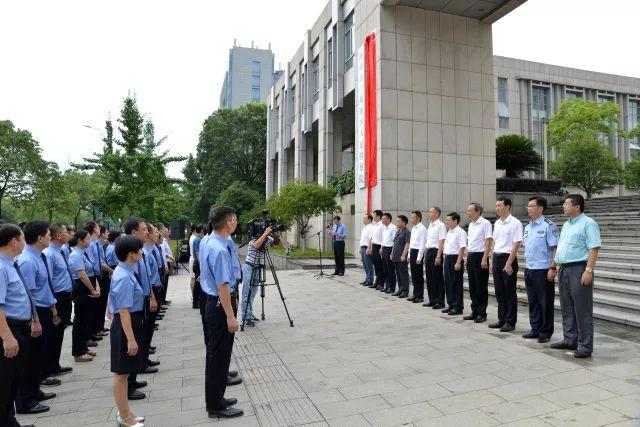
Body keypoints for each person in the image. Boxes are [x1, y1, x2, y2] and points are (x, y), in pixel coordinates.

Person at [200, 206, 243, 418]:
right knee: (218, 356)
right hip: (220, 305)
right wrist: (230, 316)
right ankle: (215, 406)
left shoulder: (210, 240)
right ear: (229, 222)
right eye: (234, 219)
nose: (236, 222)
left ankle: (218, 398)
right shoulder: (218, 248)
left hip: (213, 303)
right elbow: (223, 286)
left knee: (217, 355)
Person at [15, 221, 57, 415]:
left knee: (39, 354)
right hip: (36, 312)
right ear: (40, 237)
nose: (51, 237)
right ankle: (25, 400)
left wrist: (52, 306)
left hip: (44, 309)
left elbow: (43, 286)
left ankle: (35, 390)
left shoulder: (38, 257)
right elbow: (29, 293)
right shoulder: (27, 261)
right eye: (49, 234)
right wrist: (35, 320)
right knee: (30, 357)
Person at [551, 194, 601, 358]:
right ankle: (569, 339)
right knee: (567, 307)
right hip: (564, 269)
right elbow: (561, 246)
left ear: (577, 206)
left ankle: (585, 346)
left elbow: (594, 248)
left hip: (579, 269)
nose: (563, 206)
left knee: (582, 309)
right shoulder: (566, 224)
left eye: (566, 204)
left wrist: (588, 270)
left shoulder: (588, 223)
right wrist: (556, 265)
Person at [0, 224, 39, 427]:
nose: (25, 242)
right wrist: (7, 337)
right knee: (4, 384)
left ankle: (10, 423)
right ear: (13, 241)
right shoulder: (1, 267)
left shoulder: (10, 264)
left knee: (13, 381)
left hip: (19, 328)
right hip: (9, 329)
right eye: (22, 238)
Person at [109, 235, 146, 427]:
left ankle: (126, 412)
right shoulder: (123, 276)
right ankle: (124, 417)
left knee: (124, 373)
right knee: (121, 374)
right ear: (131, 253)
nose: (141, 252)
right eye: (139, 249)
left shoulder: (125, 271)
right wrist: (131, 339)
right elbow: (123, 311)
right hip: (126, 325)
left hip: (129, 322)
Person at [123, 218, 156, 401]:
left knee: (141, 337)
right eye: (144, 229)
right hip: (132, 305)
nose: (147, 232)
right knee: (132, 344)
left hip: (140, 300)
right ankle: (127, 385)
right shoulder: (128, 252)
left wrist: (150, 295)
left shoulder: (139, 250)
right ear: (134, 232)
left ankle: (133, 379)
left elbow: (145, 277)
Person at [522, 196, 559, 344]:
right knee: (533, 301)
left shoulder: (548, 226)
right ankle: (535, 328)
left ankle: (545, 331)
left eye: (531, 206)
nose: (528, 209)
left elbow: (555, 248)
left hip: (543, 270)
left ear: (540, 208)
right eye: (528, 206)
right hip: (530, 269)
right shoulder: (527, 227)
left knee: (545, 303)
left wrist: (553, 267)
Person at [42, 223, 74, 378]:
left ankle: (55, 364)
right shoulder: (49, 254)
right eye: (65, 232)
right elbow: (47, 280)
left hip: (66, 296)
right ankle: (47, 367)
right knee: (52, 334)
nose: (68, 234)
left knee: (59, 332)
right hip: (57, 298)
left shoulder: (61, 251)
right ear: (58, 236)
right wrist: (53, 303)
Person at [489, 197, 523, 332]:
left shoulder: (515, 223)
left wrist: (509, 263)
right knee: (499, 292)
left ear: (507, 207)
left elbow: (516, 243)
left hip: (508, 259)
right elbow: (494, 242)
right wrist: (492, 261)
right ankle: (501, 319)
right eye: (496, 205)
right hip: (497, 258)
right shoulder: (497, 223)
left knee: (509, 292)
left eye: (499, 205)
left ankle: (510, 321)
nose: (496, 208)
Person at [68, 229, 99, 363]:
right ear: (80, 240)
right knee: (80, 321)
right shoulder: (75, 255)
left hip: (89, 287)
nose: (89, 241)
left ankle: (84, 347)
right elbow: (81, 274)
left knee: (86, 319)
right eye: (87, 238)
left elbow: (91, 270)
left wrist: (96, 286)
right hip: (82, 290)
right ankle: (78, 352)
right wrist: (92, 290)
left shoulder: (83, 253)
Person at [465, 202, 492, 323]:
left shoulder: (485, 223)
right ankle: (474, 310)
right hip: (471, 255)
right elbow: (470, 241)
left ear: (477, 211)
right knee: (472, 285)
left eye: (470, 210)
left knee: (481, 286)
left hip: (481, 256)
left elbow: (488, 241)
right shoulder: (471, 224)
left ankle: (482, 313)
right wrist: (466, 255)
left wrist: (485, 258)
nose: (468, 213)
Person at [142, 225, 162, 372]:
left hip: (155, 288)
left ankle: (145, 357)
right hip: (150, 291)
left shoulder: (150, 250)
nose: (158, 234)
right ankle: (142, 362)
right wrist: (151, 297)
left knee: (149, 328)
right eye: (155, 232)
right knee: (146, 327)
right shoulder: (144, 253)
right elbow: (146, 278)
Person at [442, 213, 466, 315]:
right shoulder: (449, 232)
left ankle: (458, 307)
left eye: (449, 220)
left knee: (456, 284)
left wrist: (458, 262)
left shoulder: (461, 232)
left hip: (455, 259)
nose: (446, 222)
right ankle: (451, 304)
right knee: (448, 283)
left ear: (455, 221)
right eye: (446, 220)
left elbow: (462, 248)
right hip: (448, 258)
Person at [424, 207, 446, 309]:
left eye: (431, 212)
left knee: (437, 277)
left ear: (437, 213)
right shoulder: (430, 225)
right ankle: (432, 300)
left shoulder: (440, 225)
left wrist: (438, 256)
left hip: (436, 252)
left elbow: (441, 241)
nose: (429, 213)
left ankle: (440, 301)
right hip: (429, 252)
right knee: (429, 277)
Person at [408, 211, 427, 303]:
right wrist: (408, 254)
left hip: (418, 252)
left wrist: (419, 257)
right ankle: (415, 294)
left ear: (418, 218)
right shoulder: (413, 228)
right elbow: (411, 242)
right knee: (414, 275)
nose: (411, 219)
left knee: (418, 275)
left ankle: (420, 296)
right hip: (412, 251)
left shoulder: (422, 229)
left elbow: (422, 244)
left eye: (413, 217)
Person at [391, 215, 411, 298]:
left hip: (401, 257)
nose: (397, 223)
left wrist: (403, 255)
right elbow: (394, 243)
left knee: (404, 274)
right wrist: (392, 253)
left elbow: (407, 244)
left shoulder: (407, 232)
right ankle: (400, 289)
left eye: (399, 221)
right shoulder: (398, 231)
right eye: (397, 221)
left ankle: (405, 291)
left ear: (404, 222)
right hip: (396, 256)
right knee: (398, 274)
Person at [366, 210, 385, 289]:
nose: (373, 217)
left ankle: (381, 283)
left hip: (379, 246)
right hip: (374, 246)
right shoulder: (375, 225)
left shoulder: (382, 225)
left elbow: (384, 237)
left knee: (380, 265)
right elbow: (372, 237)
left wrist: (381, 248)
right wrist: (369, 247)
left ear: (379, 216)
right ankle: (377, 281)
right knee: (376, 265)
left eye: (374, 215)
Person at [379, 213, 397, 293]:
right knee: (385, 269)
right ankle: (387, 286)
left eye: (384, 218)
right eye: (382, 218)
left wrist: (392, 253)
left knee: (390, 270)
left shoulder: (393, 228)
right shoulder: (384, 228)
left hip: (390, 249)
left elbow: (394, 241)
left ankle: (392, 287)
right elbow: (384, 239)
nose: (382, 220)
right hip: (384, 249)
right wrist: (381, 248)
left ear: (389, 219)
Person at [358, 215, 374, 287]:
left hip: (367, 248)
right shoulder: (365, 228)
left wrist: (369, 248)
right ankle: (367, 279)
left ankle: (370, 280)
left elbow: (371, 239)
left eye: (365, 218)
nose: (363, 220)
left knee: (369, 265)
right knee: (365, 265)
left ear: (370, 220)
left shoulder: (371, 228)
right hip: (362, 247)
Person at [191, 225, 205, 309]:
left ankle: (196, 302)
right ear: (202, 230)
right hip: (197, 264)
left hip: (197, 263)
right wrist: (201, 265)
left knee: (197, 283)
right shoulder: (198, 240)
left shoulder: (198, 239)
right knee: (197, 283)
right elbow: (198, 253)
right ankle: (196, 302)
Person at [188, 225, 197, 304]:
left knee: (193, 278)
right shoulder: (194, 238)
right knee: (193, 278)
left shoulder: (192, 237)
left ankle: (193, 295)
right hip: (194, 259)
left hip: (192, 259)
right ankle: (194, 295)